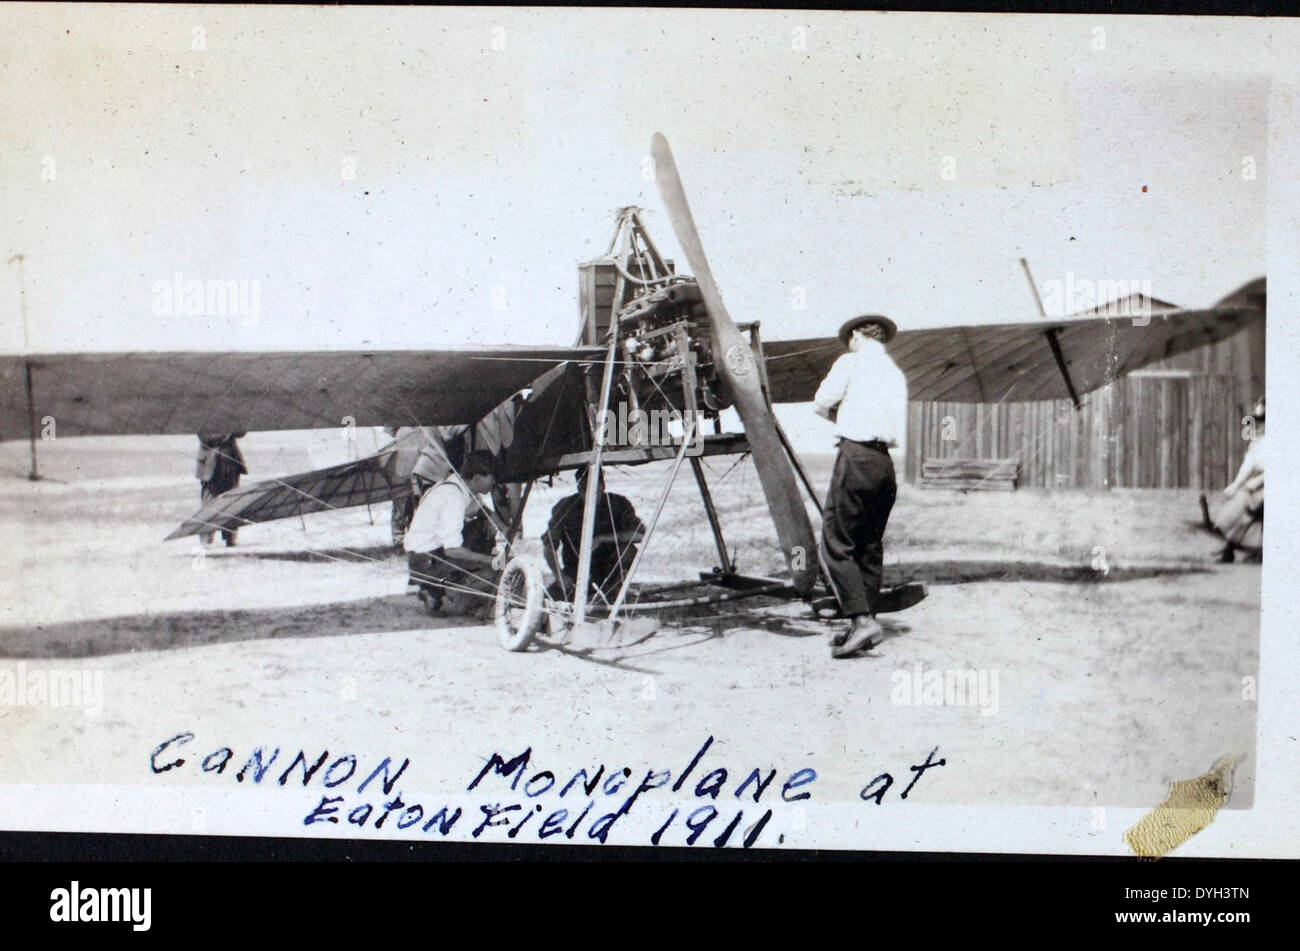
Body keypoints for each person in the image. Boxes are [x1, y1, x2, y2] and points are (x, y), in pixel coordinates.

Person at [813, 315, 908, 658]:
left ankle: (860, 619)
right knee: (869, 544)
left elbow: (821, 402)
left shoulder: (851, 362)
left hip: (856, 457)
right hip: (885, 465)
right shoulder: (895, 373)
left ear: (855, 336)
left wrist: (841, 417)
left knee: (836, 542)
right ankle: (864, 623)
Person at [403, 449, 504, 617]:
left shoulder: (458, 484)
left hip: (423, 555)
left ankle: (435, 588)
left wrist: (505, 530)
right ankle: (439, 593)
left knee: (482, 526)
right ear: (478, 478)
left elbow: (484, 511)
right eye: (492, 478)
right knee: (492, 574)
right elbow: (452, 549)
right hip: (427, 560)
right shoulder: (454, 497)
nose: (494, 483)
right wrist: (489, 560)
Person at [541, 468, 645, 604]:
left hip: (609, 571)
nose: (589, 493)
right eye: (584, 488)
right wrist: (559, 575)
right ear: (578, 488)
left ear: (602, 486)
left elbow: (639, 535)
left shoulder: (618, 503)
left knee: (628, 550)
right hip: (576, 571)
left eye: (594, 488)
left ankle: (614, 591)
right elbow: (548, 545)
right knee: (546, 602)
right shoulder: (565, 507)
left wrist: (603, 539)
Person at [1214, 398, 1264, 563]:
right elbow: (1247, 466)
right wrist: (1235, 485)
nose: (1256, 426)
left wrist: (1258, 481)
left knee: (1251, 504)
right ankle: (1230, 546)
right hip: (1259, 484)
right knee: (1240, 501)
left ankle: (1235, 547)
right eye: (1255, 421)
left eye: (1261, 421)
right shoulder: (1256, 443)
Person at [196, 432, 247, 546]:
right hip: (211, 466)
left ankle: (230, 537)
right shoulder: (203, 417)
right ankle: (206, 538)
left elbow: (241, 432)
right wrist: (227, 434)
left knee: (232, 501)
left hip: (231, 464)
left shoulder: (229, 416)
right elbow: (205, 438)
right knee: (209, 503)